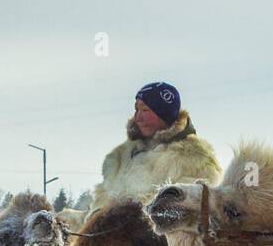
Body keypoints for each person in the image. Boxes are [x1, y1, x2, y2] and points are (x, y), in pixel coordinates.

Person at [91, 82, 221, 211]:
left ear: (165, 115)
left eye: (145, 110)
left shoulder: (194, 159)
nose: (138, 118)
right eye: (137, 109)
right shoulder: (122, 156)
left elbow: (191, 213)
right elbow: (99, 208)